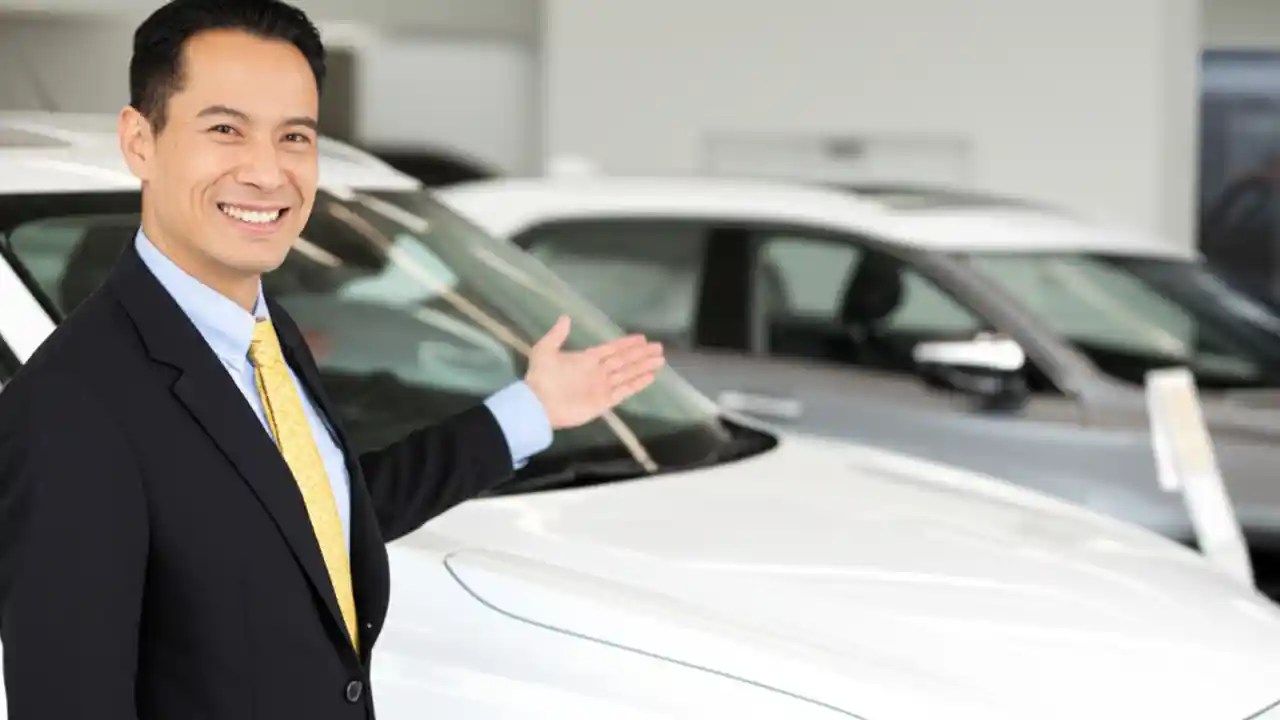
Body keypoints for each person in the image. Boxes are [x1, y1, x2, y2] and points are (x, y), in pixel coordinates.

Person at [0, 1, 665, 718]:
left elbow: (320, 513)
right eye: (225, 130)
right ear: (140, 141)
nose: (268, 172)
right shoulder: (71, 408)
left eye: (294, 136)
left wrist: (530, 409)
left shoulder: (264, 334)